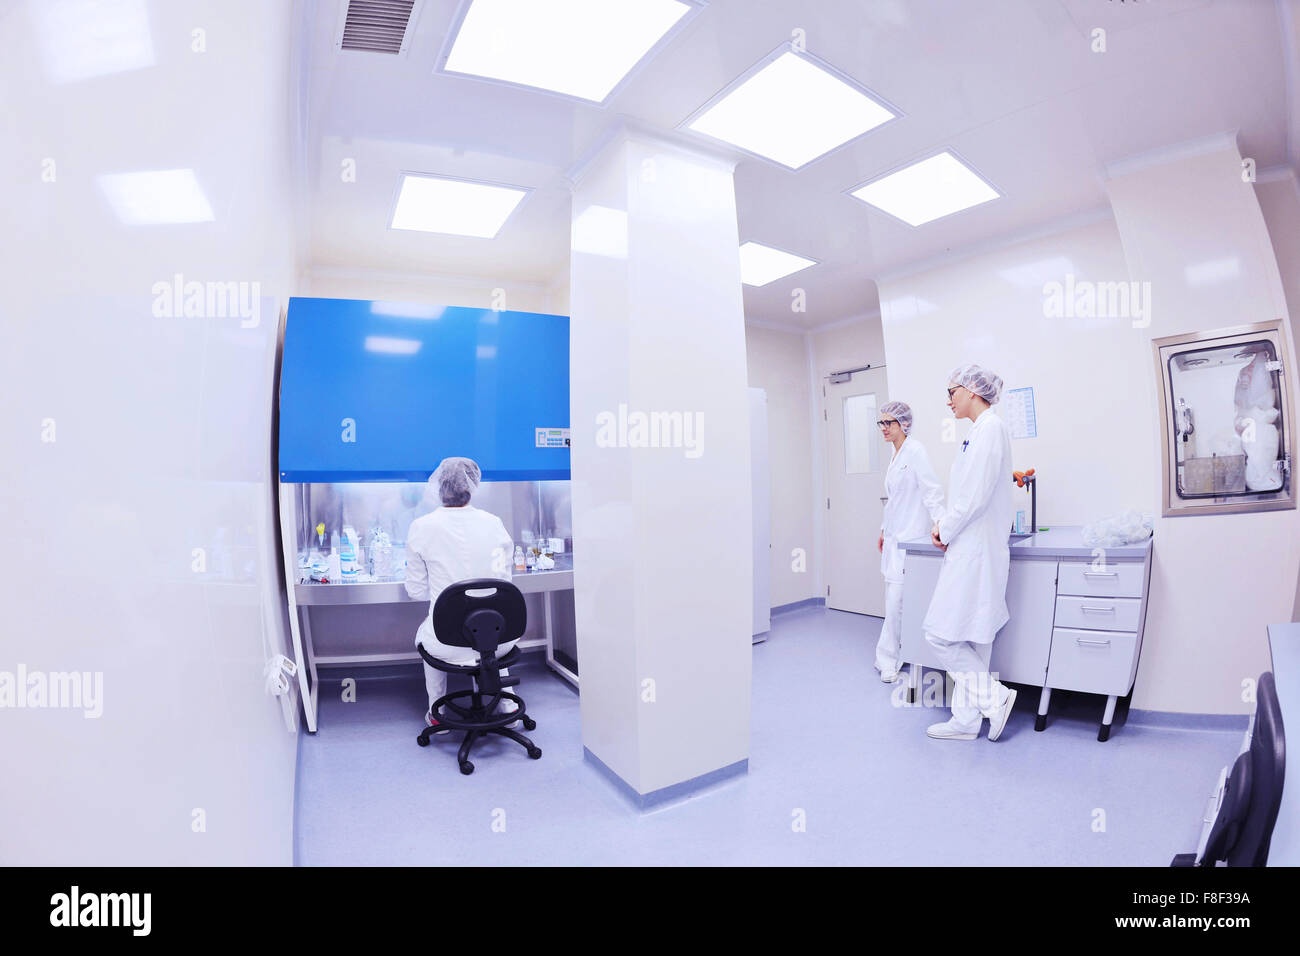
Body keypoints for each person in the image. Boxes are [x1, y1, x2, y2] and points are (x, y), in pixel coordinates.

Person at [922, 365, 1018, 741]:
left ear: (973, 391)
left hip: (974, 550)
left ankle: (994, 698)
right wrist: (946, 523)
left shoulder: (990, 429)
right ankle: (965, 721)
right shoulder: (980, 432)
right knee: (975, 636)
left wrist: (943, 528)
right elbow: (969, 494)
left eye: (952, 391)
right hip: (977, 547)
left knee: (941, 634)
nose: (948, 400)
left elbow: (974, 497)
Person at [404, 457, 517, 732]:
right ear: (472, 486)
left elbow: (415, 591)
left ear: (439, 488)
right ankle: (508, 704)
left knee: (426, 632)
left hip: (448, 642)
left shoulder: (422, 527)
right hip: (501, 639)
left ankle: (437, 711)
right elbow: (505, 582)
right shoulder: (494, 523)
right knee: (489, 622)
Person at [875, 401, 944, 684]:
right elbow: (894, 501)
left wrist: (941, 522)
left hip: (910, 538)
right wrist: (882, 529)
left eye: (888, 423)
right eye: (881, 423)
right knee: (894, 601)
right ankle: (891, 656)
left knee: (897, 603)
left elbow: (931, 490)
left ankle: (888, 659)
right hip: (894, 537)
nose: (883, 429)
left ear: (903, 424)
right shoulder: (895, 454)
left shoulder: (915, 452)